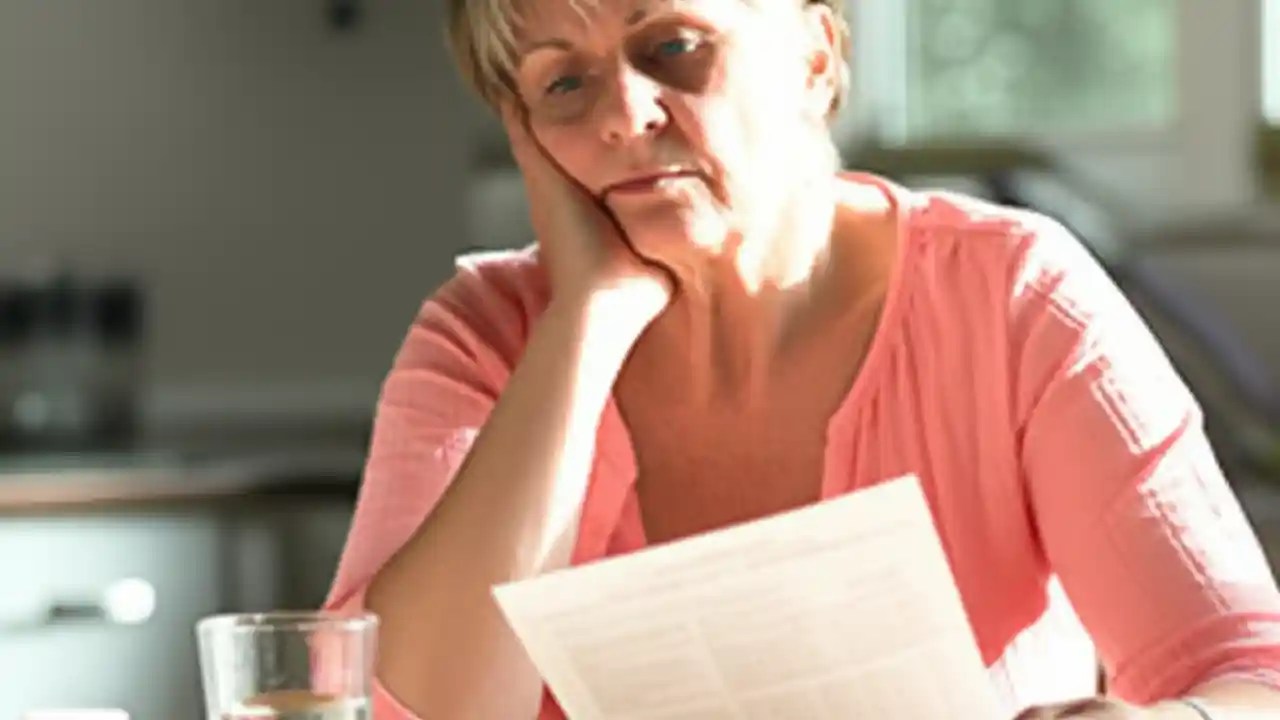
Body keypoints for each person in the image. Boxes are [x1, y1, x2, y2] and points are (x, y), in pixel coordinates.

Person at [323, 0, 1280, 717]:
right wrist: (589, 319)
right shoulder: (483, 338)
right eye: (561, 83)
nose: (622, 115)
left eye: (674, 48)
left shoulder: (1010, 295)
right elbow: (403, 711)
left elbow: (1246, 670)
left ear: (816, 58)